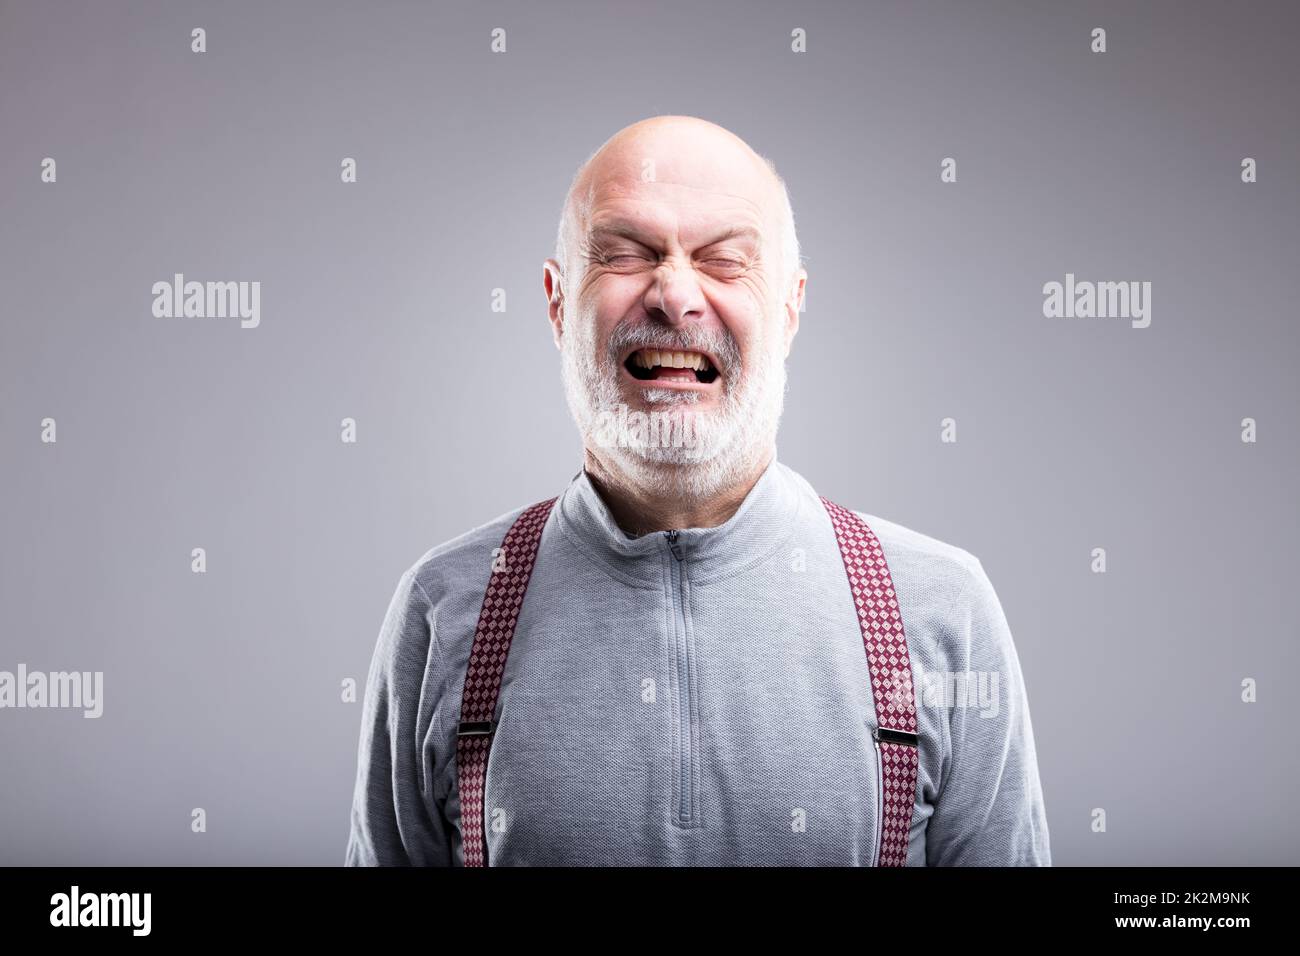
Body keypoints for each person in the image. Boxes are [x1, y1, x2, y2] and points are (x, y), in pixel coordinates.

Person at [345, 115, 1051, 866]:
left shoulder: (944, 609)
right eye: (624, 253)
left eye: (723, 261)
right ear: (557, 303)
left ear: (789, 307)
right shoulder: (443, 607)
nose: (676, 295)